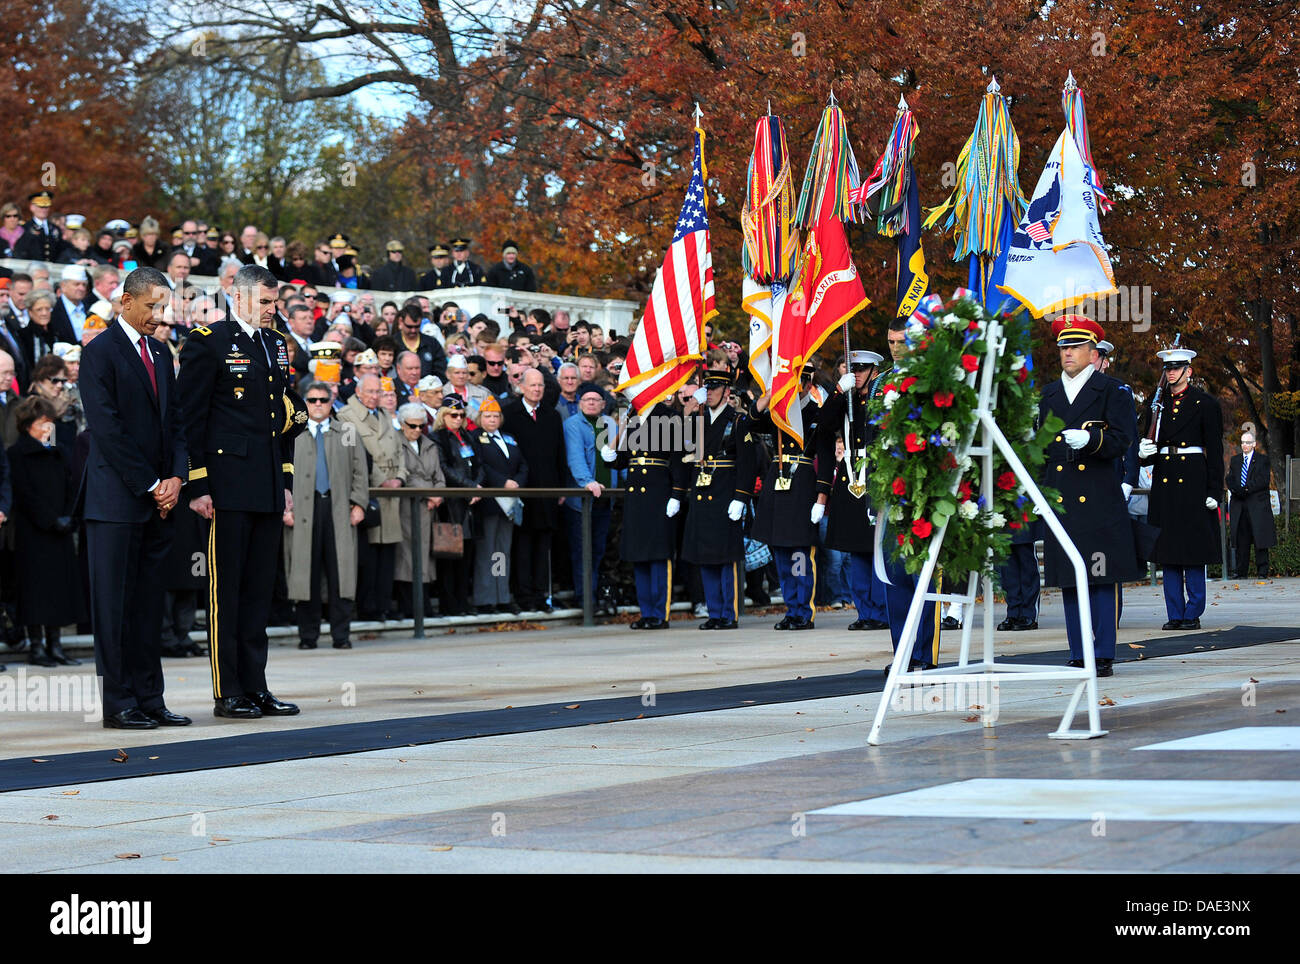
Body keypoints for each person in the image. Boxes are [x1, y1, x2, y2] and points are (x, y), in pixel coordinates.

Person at [180, 264, 308, 719]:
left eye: (276, 302)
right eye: (266, 302)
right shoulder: (207, 341)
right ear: (238, 296)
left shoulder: (276, 345)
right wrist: (197, 483)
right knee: (227, 592)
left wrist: (287, 482)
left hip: (268, 483)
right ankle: (227, 690)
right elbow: (188, 419)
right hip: (226, 485)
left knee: (258, 593)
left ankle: (257, 686)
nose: (274, 311)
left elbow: (285, 422)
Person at [79, 266, 191, 727]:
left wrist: (177, 478)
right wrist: (150, 484)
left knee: (149, 605)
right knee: (114, 607)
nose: (158, 315)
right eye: (151, 306)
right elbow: (107, 430)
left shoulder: (162, 353)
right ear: (125, 302)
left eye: (163, 307)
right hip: (116, 502)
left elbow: (177, 424)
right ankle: (118, 702)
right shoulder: (99, 353)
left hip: (159, 502)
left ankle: (150, 698)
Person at [1040, 316, 1140, 676]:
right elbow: (1040, 449)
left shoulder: (1112, 391)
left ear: (1092, 351)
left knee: (1099, 575)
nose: (1067, 353)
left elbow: (1123, 439)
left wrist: (1093, 441)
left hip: (1098, 498)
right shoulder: (1049, 394)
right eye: (1063, 347)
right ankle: (1079, 650)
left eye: (1075, 347)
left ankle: (1102, 652)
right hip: (1062, 498)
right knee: (1070, 577)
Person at [1137, 346, 1224, 630]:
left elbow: (1214, 449)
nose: (1171, 372)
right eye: (1167, 368)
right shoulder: (1156, 403)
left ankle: (1193, 611)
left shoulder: (1205, 404)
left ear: (1188, 371)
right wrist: (1143, 451)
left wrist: (1214, 491)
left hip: (1193, 479)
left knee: (1192, 549)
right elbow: (1148, 447)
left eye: (1176, 368)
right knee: (1168, 551)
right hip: (1165, 479)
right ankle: (1175, 613)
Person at [873, 318, 942, 668]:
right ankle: (902, 653)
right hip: (891, 489)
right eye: (891, 341)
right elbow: (873, 440)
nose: (895, 348)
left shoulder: (932, 379)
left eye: (902, 341)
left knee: (922, 575)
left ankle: (923, 655)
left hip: (923, 489)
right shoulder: (882, 383)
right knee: (894, 577)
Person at [286, 381, 370, 650]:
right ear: (304, 403)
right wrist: (283, 507)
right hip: (301, 511)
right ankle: (307, 636)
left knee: (341, 574)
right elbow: (278, 472)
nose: (318, 404)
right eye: (312, 400)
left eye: (323, 399)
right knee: (304, 573)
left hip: (338, 509)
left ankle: (341, 635)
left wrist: (358, 504)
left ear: (332, 402)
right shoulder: (291, 433)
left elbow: (360, 471)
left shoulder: (346, 431)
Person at [751, 362, 832, 630]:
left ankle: (802, 610)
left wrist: (822, 496)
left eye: (802, 382)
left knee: (799, 554)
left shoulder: (816, 413)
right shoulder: (778, 413)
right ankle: (790, 606)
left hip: (802, 487)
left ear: (809, 384)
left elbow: (827, 456)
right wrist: (765, 399)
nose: (798, 387)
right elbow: (748, 425)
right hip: (779, 483)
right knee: (781, 552)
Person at [8, 396, 86, 668]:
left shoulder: (60, 452)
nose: (48, 429)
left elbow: (72, 485)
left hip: (61, 530)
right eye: (43, 424)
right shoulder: (18, 454)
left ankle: (56, 644)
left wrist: (68, 515)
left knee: (60, 590)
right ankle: (37, 645)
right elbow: (25, 494)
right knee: (35, 590)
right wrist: (51, 520)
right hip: (35, 532)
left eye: (50, 423)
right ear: (28, 425)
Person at [682, 369, 758, 630]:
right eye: (708, 388)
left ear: (727, 392)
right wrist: (691, 408)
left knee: (725, 558)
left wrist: (740, 497)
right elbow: (683, 448)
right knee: (706, 557)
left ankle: (729, 612)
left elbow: (748, 464)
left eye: (715, 388)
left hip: (726, 495)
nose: (710, 392)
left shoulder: (737, 421)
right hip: (703, 496)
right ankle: (714, 611)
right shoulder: (698, 420)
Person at [818, 350, 889, 631]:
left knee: (875, 551)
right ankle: (865, 612)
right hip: (850, 480)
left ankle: (882, 612)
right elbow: (823, 427)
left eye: (862, 369)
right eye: (853, 369)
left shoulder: (882, 399)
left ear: (873, 371)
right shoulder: (844, 399)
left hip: (874, 475)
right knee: (856, 550)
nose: (856, 374)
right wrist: (837, 393)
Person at [337, 372, 407, 620]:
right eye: (370, 392)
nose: (375, 396)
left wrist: (400, 477)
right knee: (367, 557)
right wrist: (381, 480)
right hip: (366, 494)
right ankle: (366, 608)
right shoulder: (346, 416)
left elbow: (400, 450)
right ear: (358, 392)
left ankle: (383, 605)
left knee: (388, 555)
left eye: (378, 392)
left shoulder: (386, 415)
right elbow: (349, 456)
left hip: (392, 496)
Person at [617, 400, 687, 629]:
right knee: (639, 556)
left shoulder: (668, 416)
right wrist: (611, 453)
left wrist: (677, 493)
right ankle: (646, 611)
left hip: (658, 493)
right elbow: (624, 456)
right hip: (636, 495)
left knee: (658, 555)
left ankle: (660, 612)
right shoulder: (631, 415)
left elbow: (678, 459)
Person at [503, 369, 565, 612]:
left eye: (540, 385)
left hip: (548, 490)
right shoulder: (510, 414)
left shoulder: (552, 415)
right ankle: (524, 595)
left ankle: (541, 596)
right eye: (533, 385)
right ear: (521, 386)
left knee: (543, 546)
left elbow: (560, 454)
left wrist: (561, 488)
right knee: (523, 546)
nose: (537, 389)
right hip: (523, 491)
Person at [472, 396, 527, 614]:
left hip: (510, 501)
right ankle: (485, 598)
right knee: (487, 551)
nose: (492, 419)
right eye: (488, 416)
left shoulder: (509, 438)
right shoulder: (476, 438)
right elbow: (481, 465)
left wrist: (517, 483)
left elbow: (523, 464)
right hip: (490, 500)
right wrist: (502, 482)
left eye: (496, 416)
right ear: (480, 418)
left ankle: (501, 595)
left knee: (502, 552)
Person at [393, 403, 445, 618]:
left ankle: (423, 605)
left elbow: (439, 475)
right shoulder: (395, 442)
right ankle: (409, 607)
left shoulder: (430, 444)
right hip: (407, 506)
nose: (416, 430)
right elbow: (405, 474)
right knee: (407, 557)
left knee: (426, 557)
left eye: (420, 426)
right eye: (412, 425)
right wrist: (429, 492)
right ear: (402, 424)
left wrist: (439, 494)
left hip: (430, 508)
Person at [430, 396, 481, 616]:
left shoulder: (467, 436)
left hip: (470, 503)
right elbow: (443, 468)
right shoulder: (437, 438)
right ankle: (449, 603)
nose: (458, 419)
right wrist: (470, 486)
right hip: (451, 504)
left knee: (467, 555)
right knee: (450, 556)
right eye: (453, 415)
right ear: (443, 415)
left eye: (461, 415)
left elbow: (479, 463)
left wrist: (477, 484)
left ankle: (463, 601)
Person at [1227, 431, 1276, 578]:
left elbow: (1263, 480)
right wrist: (1236, 489)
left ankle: (1262, 571)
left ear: (1254, 444)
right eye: (1242, 442)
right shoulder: (1235, 460)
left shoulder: (1262, 460)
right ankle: (1241, 572)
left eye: (1247, 442)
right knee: (1242, 539)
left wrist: (1246, 488)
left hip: (1257, 506)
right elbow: (1230, 478)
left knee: (1260, 539)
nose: (1244, 445)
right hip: (1240, 505)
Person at [13, 191, 64, 263]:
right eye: (41, 206)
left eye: (46, 206)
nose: (44, 209)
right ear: (32, 207)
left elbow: (60, 250)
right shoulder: (25, 228)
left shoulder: (55, 229)